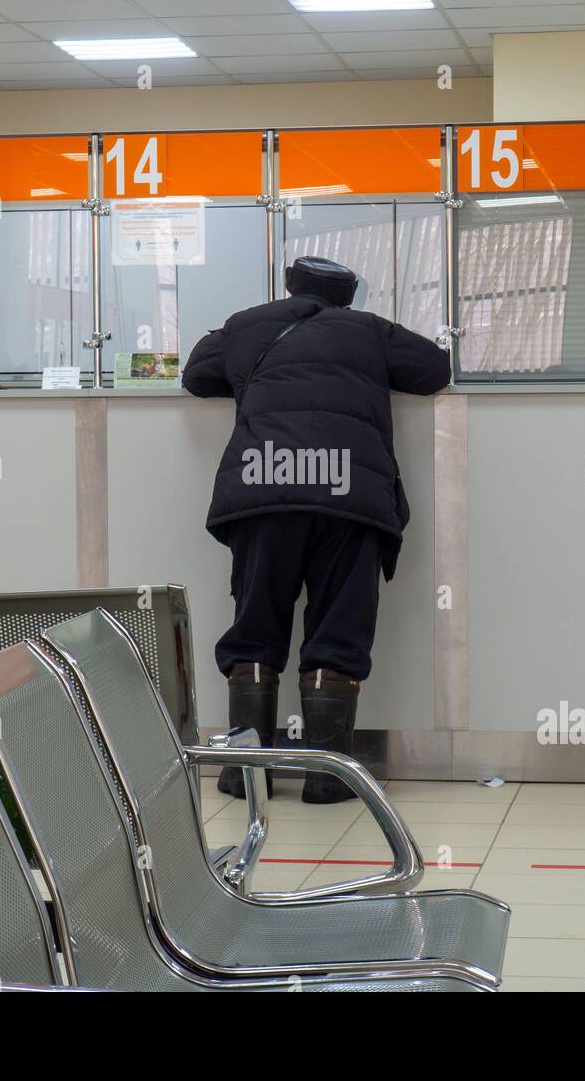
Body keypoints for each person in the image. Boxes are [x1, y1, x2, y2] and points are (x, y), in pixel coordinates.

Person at [181, 256, 451, 803]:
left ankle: (245, 772)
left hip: (264, 488)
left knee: (256, 626)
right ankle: (328, 778)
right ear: (348, 296)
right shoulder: (373, 331)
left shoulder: (245, 323)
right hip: (348, 497)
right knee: (339, 629)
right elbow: (434, 371)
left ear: (289, 286)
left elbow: (196, 376)